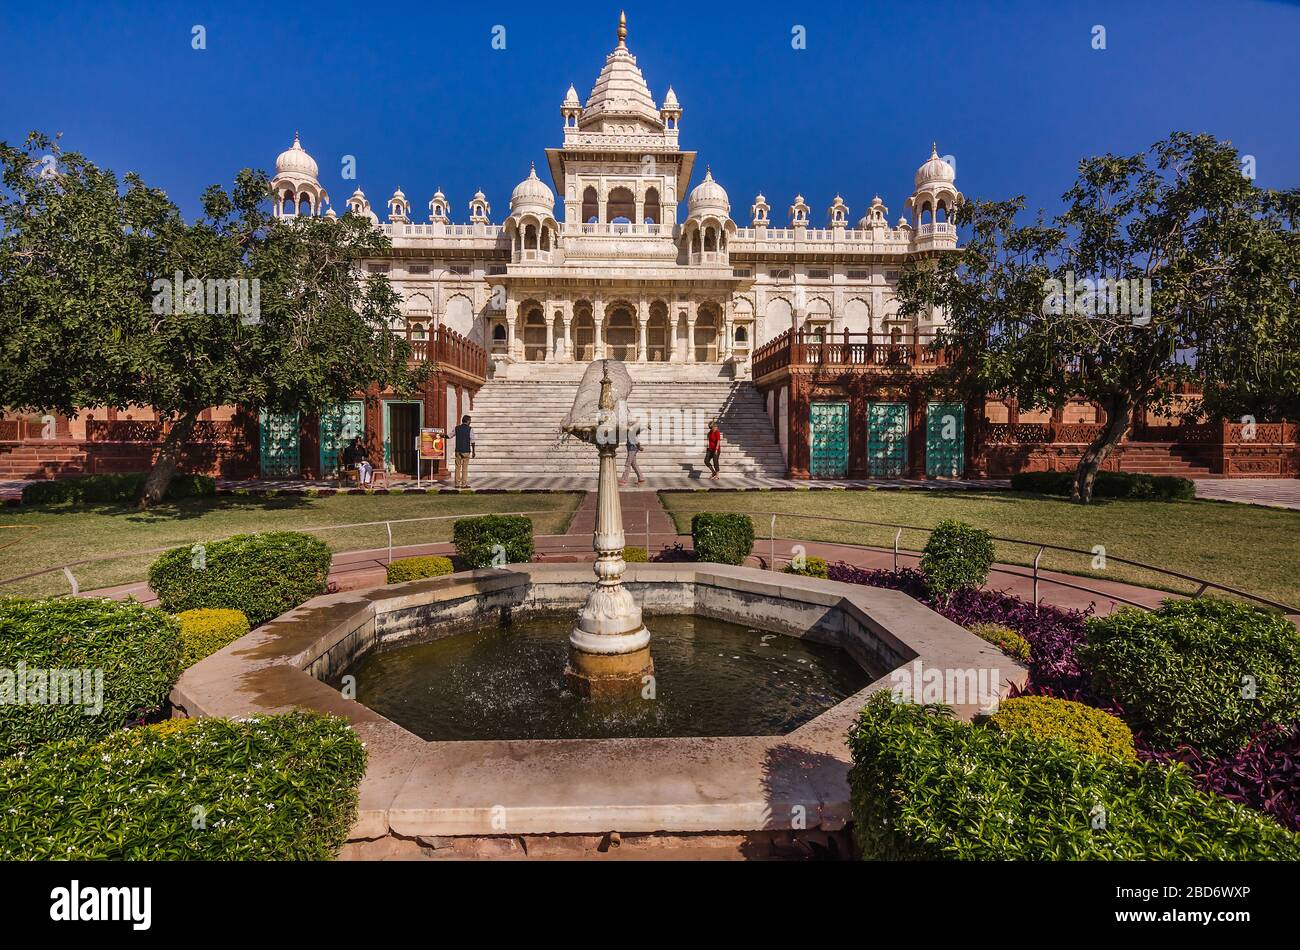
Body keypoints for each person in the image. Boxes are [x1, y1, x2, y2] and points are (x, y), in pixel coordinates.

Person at [620, 419, 647, 486]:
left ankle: (624, 480)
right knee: (634, 464)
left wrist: (639, 447)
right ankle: (641, 478)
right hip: (631, 448)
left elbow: (637, 441)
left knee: (627, 464)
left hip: (632, 449)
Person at [453, 414, 475, 489]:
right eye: (470, 420)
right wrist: (473, 451)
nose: (470, 422)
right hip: (466, 450)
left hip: (458, 450)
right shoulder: (470, 429)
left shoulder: (456, 428)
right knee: (465, 468)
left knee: (457, 467)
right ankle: (464, 484)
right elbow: (472, 441)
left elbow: (449, 436)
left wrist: (442, 436)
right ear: (468, 421)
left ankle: (457, 484)